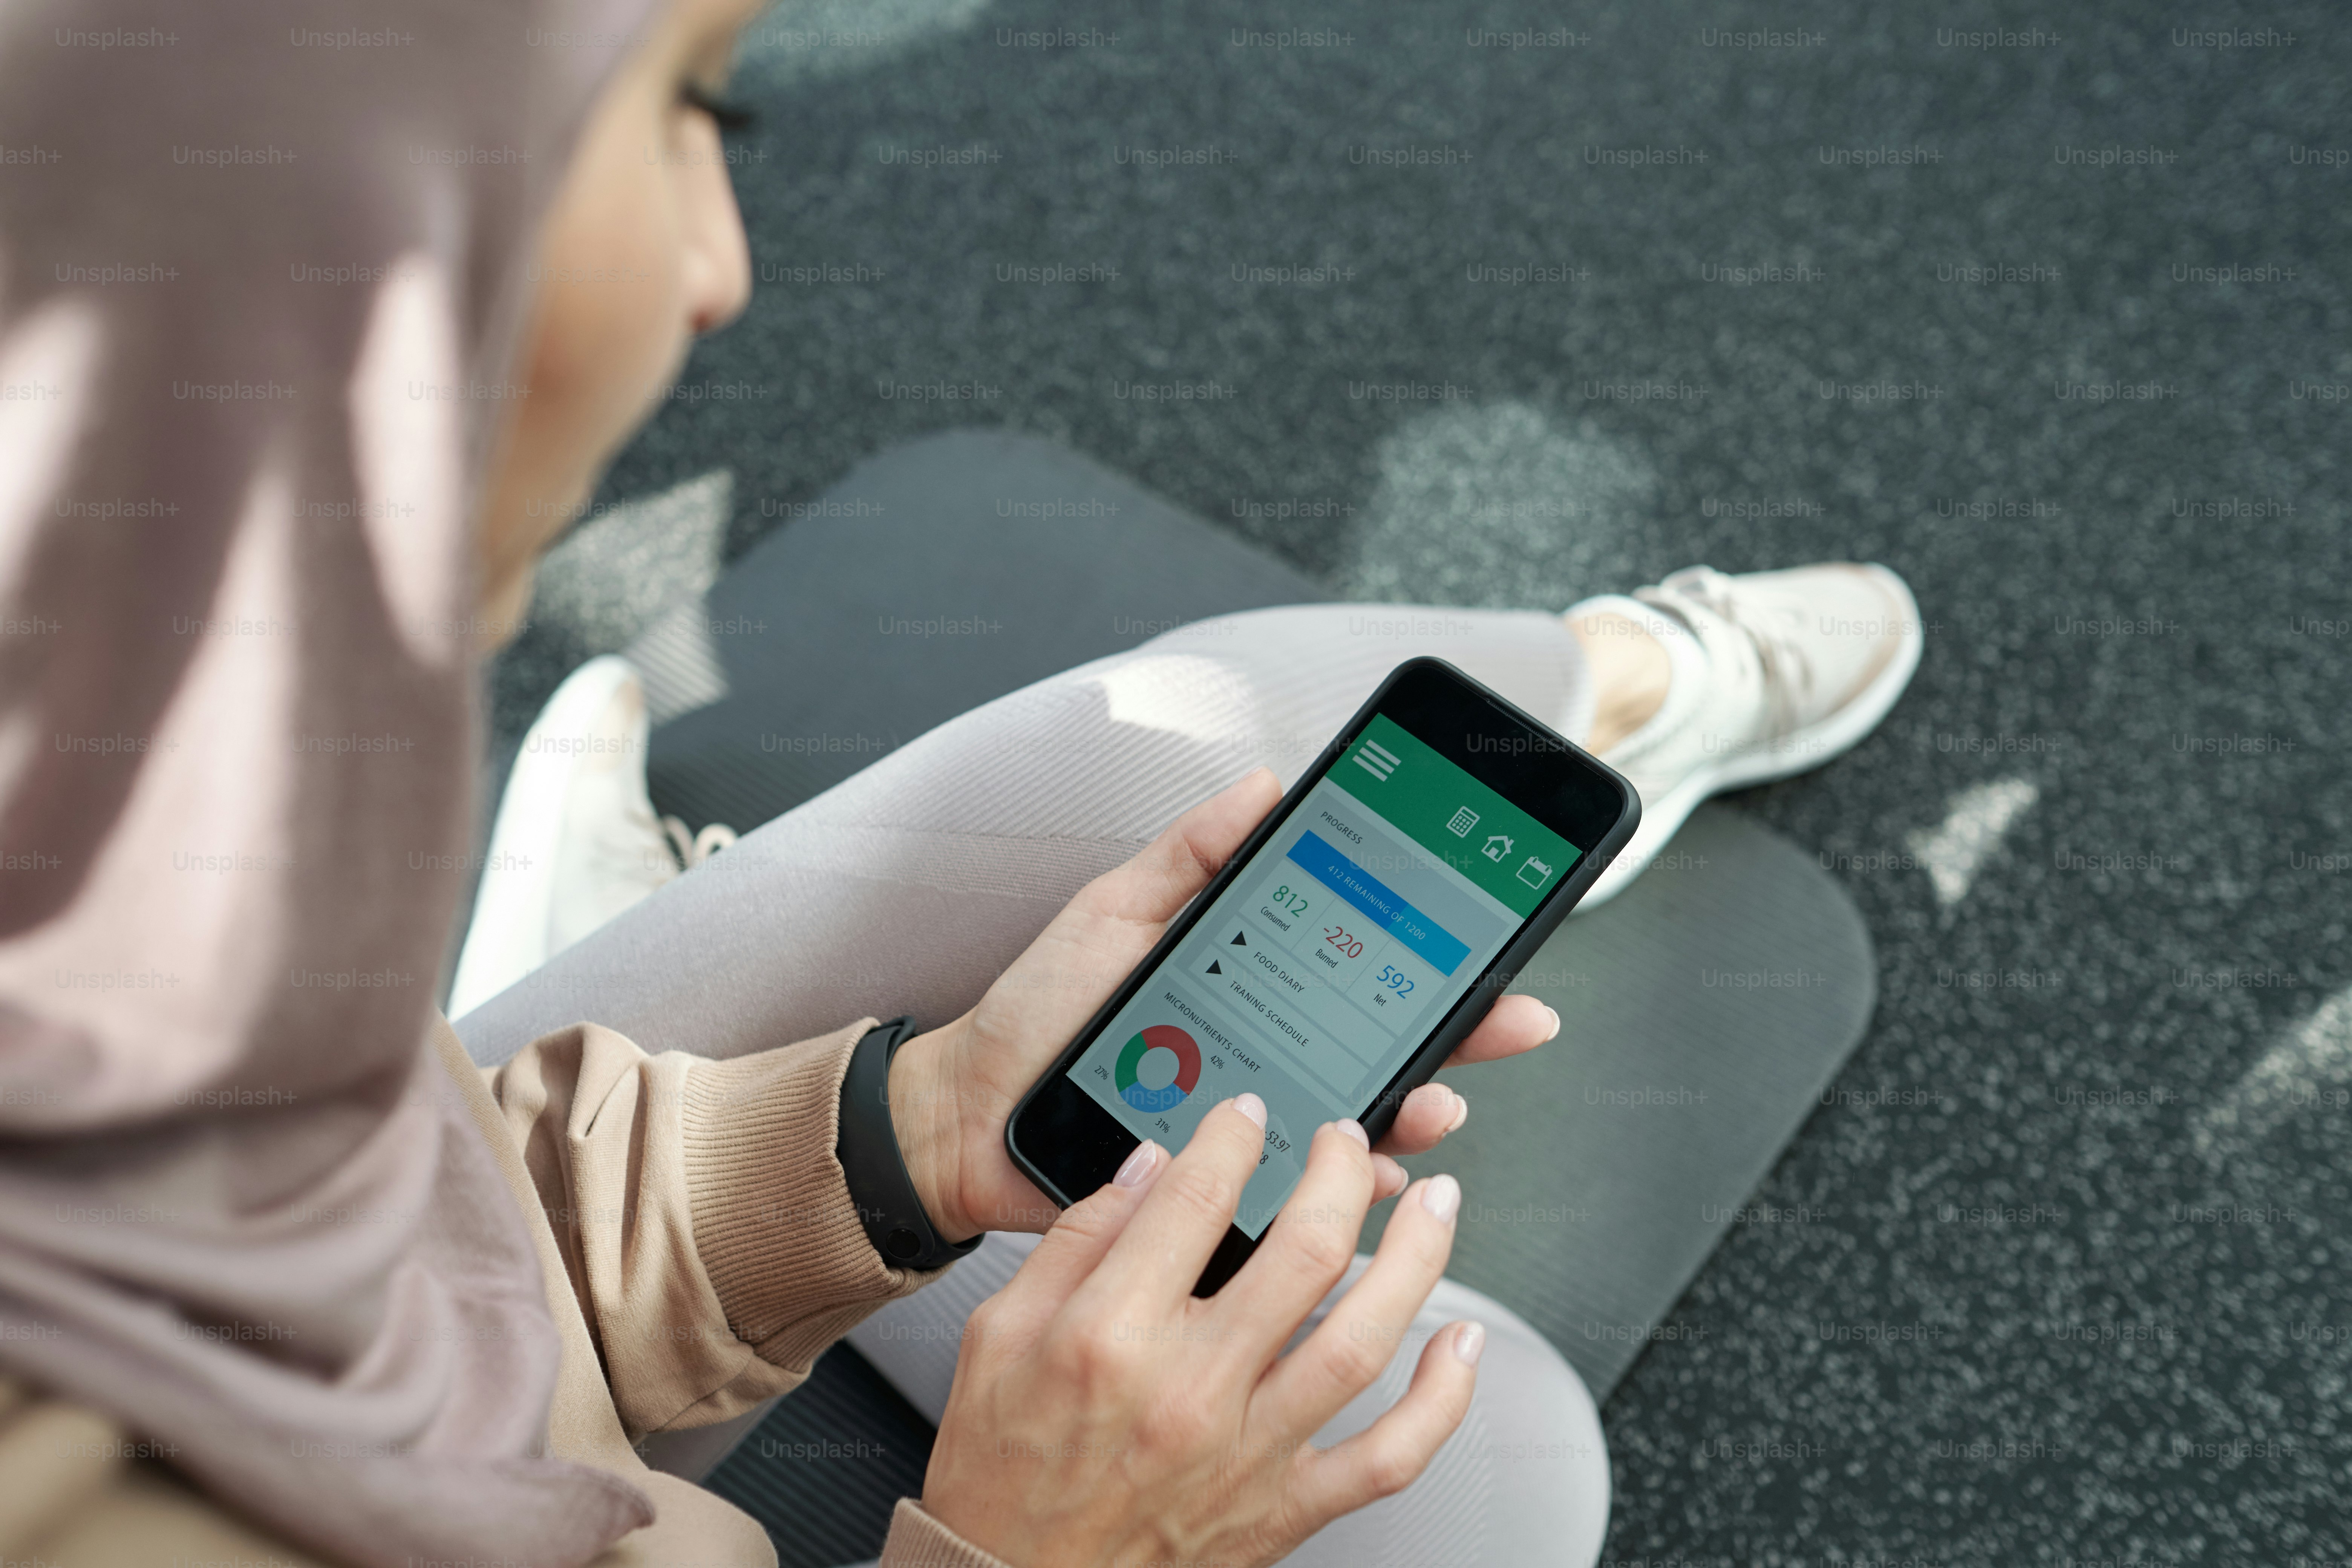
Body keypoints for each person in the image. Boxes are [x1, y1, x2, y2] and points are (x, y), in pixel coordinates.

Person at [0, 4, 1919, 1568]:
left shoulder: (111, 823)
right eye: (685, 109)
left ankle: (1627, 688)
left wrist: (894, 1133)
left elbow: (416, 1260)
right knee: (1502, 1467)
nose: (717, 264)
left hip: (531, 1404)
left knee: (1201, 738)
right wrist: (1023, 1547)